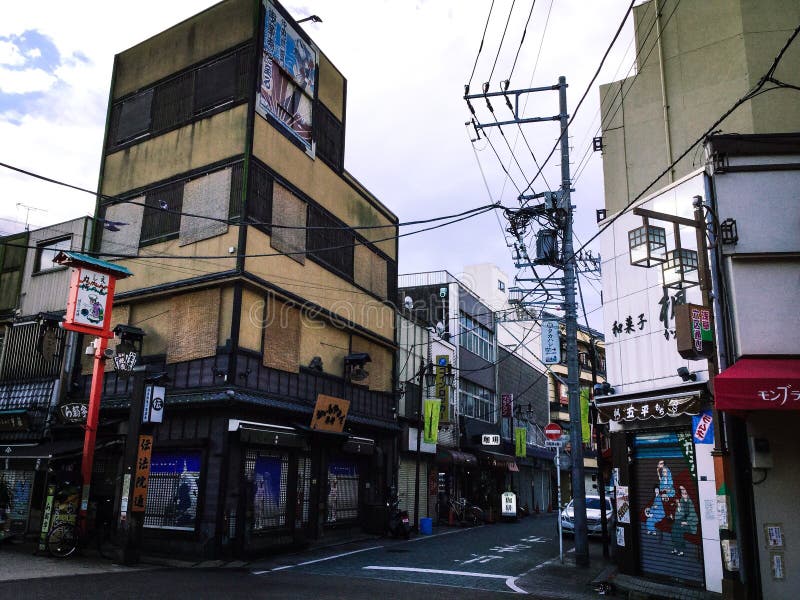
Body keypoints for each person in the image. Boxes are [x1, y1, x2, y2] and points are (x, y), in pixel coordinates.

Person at [670, 485, 698, 556]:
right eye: (682, 492)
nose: (683, 494)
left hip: (691, 524)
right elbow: (680, 514)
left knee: (678, 529)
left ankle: (681, 550)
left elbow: (694, 516)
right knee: (674, 527)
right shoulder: (681, 500)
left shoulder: (690, 502)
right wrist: (678, 507)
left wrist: (686, 522)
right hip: (682, 520)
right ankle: (676, 548)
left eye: (685, 492)